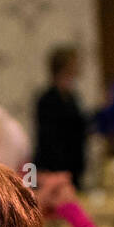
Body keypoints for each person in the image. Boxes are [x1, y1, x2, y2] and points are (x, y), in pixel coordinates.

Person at [34, 46, 88, 188]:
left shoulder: (73, 98)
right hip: (53, 167)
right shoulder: (46, 99)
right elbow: (48, 137)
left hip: (73, 165)